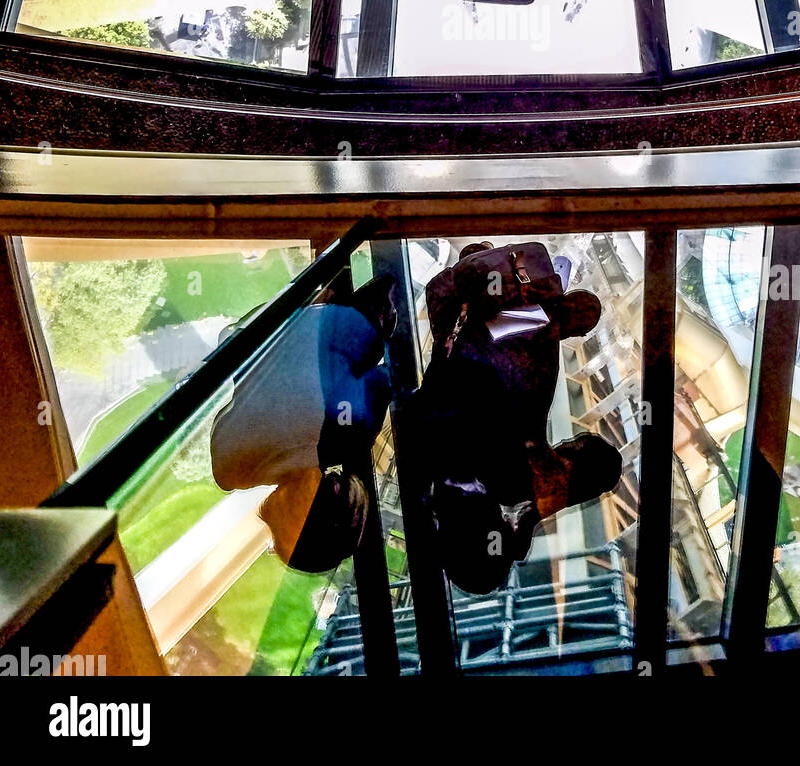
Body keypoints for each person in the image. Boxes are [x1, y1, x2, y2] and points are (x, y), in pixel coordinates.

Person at [403, 241, 621, 594]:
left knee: (540, 311)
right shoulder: (440, 480)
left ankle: (509, 281)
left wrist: (551, 317)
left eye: (574, 445)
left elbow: (488, 333)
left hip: (483, 315)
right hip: (462, 313)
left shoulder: (503, 469)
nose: (567, 443)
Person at [210, 275, 396, 574]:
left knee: (373, 344)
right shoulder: (229, 472)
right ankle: (325, 292)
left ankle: (376, 283)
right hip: (259, 326)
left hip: (338, 323)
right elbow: (231, 407)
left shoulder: (348, 439)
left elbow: (383, 379)